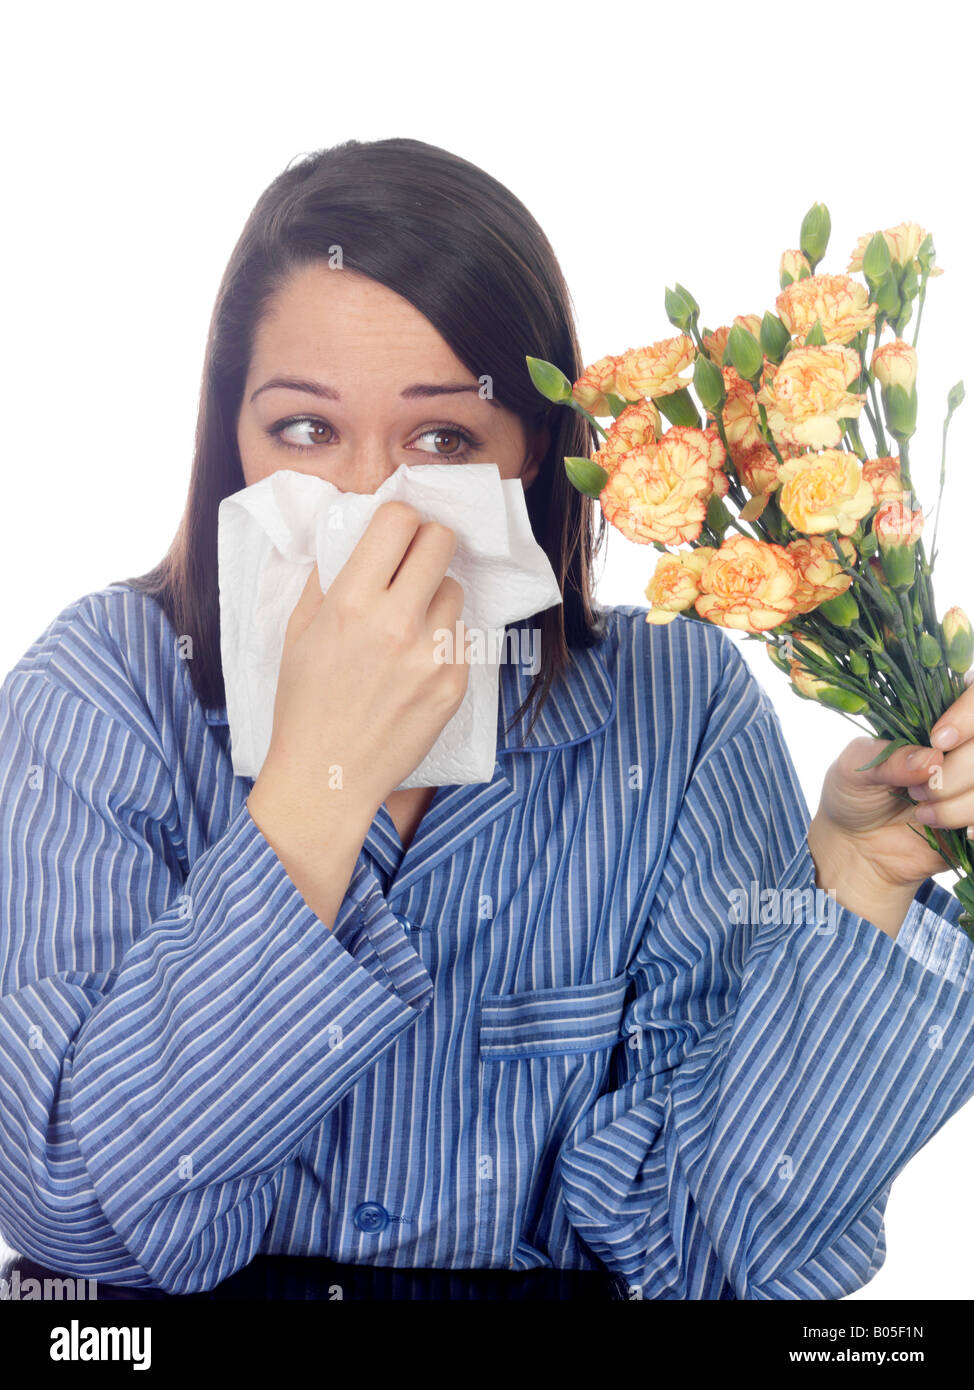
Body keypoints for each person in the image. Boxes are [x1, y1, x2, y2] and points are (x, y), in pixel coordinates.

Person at [3, 137, 974, 1302]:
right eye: (305, 431)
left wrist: (863, 877)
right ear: (231, 447)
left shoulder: (675, 714)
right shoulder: (104, 683)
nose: (366, 509)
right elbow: (70, 1207)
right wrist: (317, 783)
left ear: (530, 464)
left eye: (443, 440)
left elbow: (710, 1257)